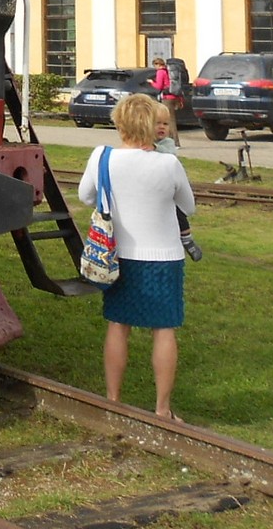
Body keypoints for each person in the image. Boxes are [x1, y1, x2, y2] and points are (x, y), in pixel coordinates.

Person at [78, 93, 195, 421]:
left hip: (118, 256)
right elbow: (189, 206)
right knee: (165, 329)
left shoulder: (102, 156)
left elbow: (85, 195)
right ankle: (162, 409)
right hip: (164, 258)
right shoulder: (169, 163)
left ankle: (113, 400)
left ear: (121, 123)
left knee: (118, 326)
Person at [153, 103, 203, 261]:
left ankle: (187, 238)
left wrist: (152, 147)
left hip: (170, 186)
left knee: (178, 211)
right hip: (156, 187)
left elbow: (168, 156)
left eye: (165, 124)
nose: (162, 127)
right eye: (157, 123)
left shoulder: (166, 143)